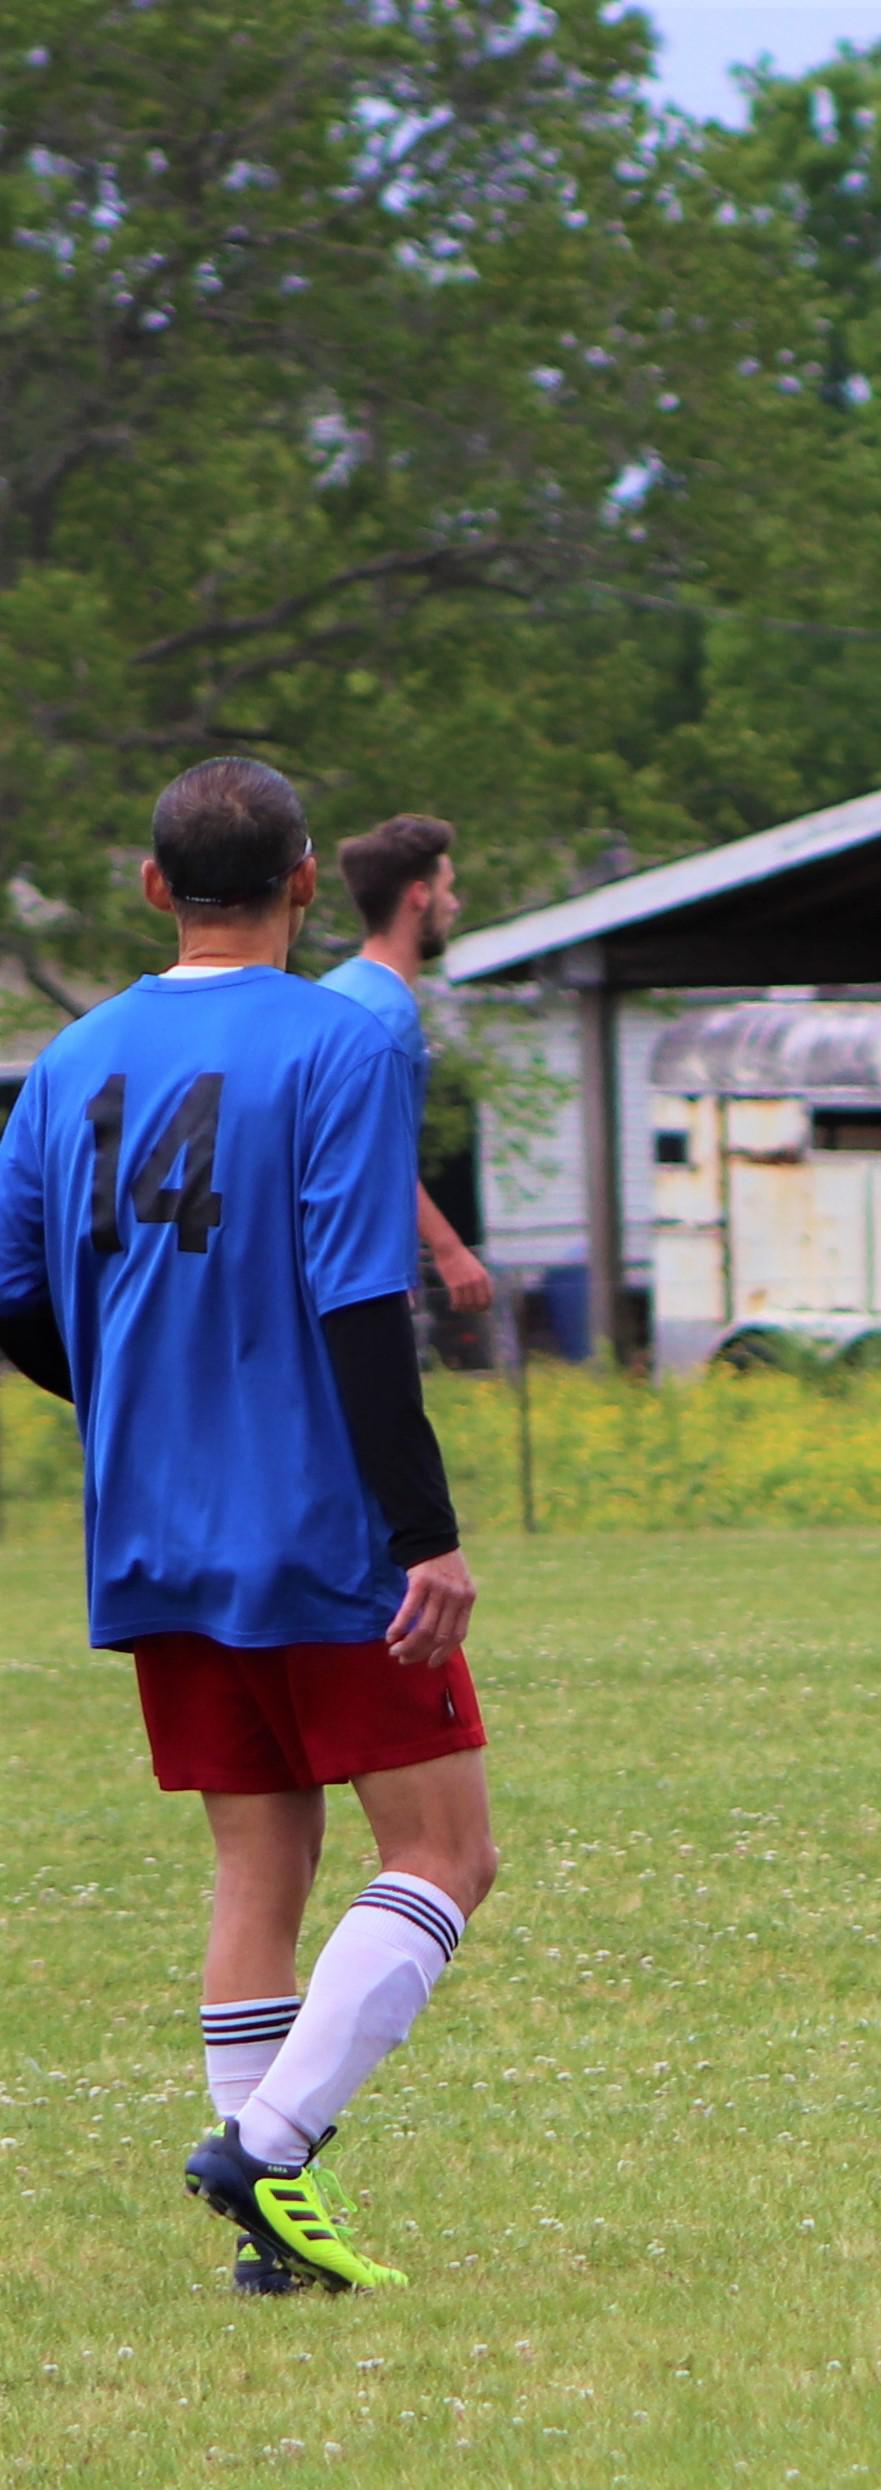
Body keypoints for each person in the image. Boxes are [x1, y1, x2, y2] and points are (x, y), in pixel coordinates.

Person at [0, 761, 495, 2296]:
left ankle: (273, 2253)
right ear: (300, 886)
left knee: (255, 1863)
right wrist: (425, 1531)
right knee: (446, 1852)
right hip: (316, 1522)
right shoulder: (340, 1042)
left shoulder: (69, 1059)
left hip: (155, 1528)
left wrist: (142, 1405)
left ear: (155, 889)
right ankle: (267, 2148)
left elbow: (15, 1299)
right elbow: (360, 1301)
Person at [324, 814, 506, 1349]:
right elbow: (374, 1151)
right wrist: (449, 1250)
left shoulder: (335, 989)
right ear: (419, 896)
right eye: (449, 889)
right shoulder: (387, 1014)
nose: (455, 904)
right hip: (359, 1281)